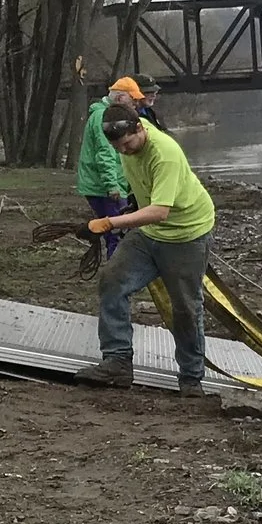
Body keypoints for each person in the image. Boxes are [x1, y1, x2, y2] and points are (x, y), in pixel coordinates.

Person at [75, 101, 217, 395]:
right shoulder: (126, 143)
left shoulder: (164, 153)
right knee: (112, 281)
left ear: (139, 128)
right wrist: (131, 205)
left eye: (127, 144)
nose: (124, 152)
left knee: (185, 307)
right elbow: (142, 191)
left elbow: (160, 211)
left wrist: (110, 222)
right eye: (118, 148)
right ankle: (117, 362)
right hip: (150, 233)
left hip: (185, 234)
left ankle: (191, 378)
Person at [74, 77, 143, 257]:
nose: (136, 104)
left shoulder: (108, 115)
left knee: (118, 233)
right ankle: (117, 275)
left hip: (109, 185)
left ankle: (119, 273)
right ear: (120, 99)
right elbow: (104, 154)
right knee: (117, 234)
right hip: (104, 188)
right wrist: (112, 186)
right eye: (133, 100)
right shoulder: (103, 118)